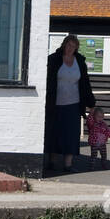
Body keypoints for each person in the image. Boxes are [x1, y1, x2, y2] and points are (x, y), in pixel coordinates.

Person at [44, 34, 96, 172]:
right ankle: (52, 162)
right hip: (55, 103)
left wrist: (91, 103)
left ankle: (68, 164)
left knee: (71, 135)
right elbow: (47, 80)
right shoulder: (54, 60)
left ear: (76, 48)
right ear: (64, 45)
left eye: (73, 46)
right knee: (54, 133)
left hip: (74, 103)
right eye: (68, 45)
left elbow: (85, 83)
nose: (70, 48)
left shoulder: (79, 61)